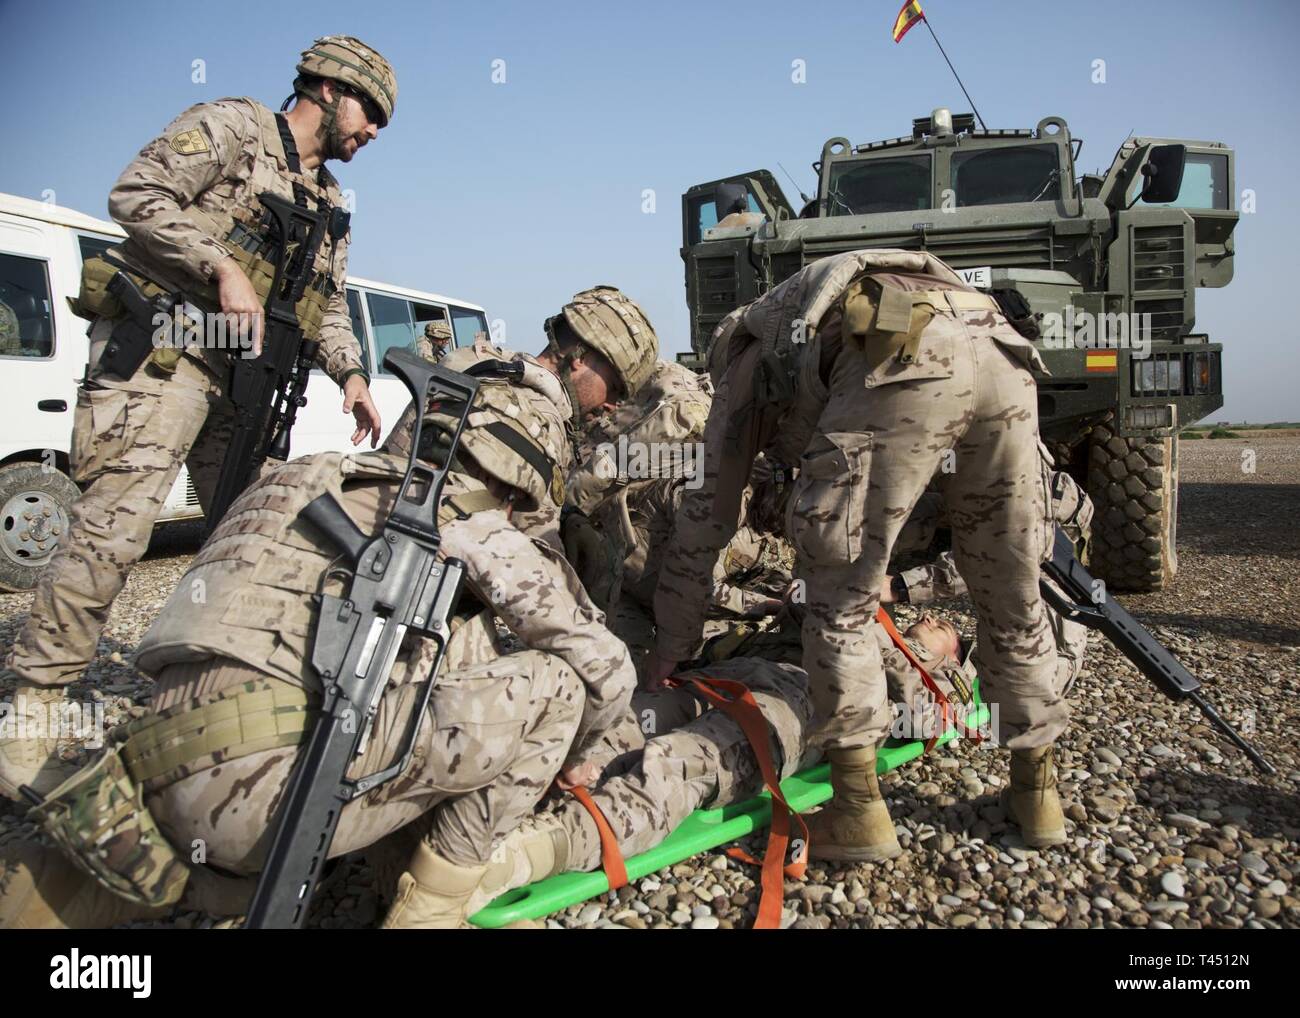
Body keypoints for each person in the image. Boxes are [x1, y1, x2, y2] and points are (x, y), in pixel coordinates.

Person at [0, 366, 637, 930]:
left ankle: (91, 881)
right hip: (268, 800)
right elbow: (608, 673)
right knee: (555, 684)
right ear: (521, 482)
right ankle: (434, 911)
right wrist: (576, 756)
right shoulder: (479, 528)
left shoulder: (303, 475)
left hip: (149, 759)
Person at [1, 36, 394, 800]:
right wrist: (218, 266)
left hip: (246, 381)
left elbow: (329, 300)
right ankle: (32, 709)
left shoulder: (330, 201)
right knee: (111, 535)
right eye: (370, 112)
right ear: (327, 89)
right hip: (166, 356)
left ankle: (207, 689)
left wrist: (349, 371)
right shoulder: (233, 128)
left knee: (252, 535)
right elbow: (137, 195)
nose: (373, 132)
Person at [647, 249, 1069, 857]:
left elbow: (705, 515)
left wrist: (672, 647)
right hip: (1000, 350)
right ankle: (1037, 795)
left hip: (905, 356)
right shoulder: (816, 311)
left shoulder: (746, 356)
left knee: (838, 598)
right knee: (1010, 588)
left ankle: (857, 811)